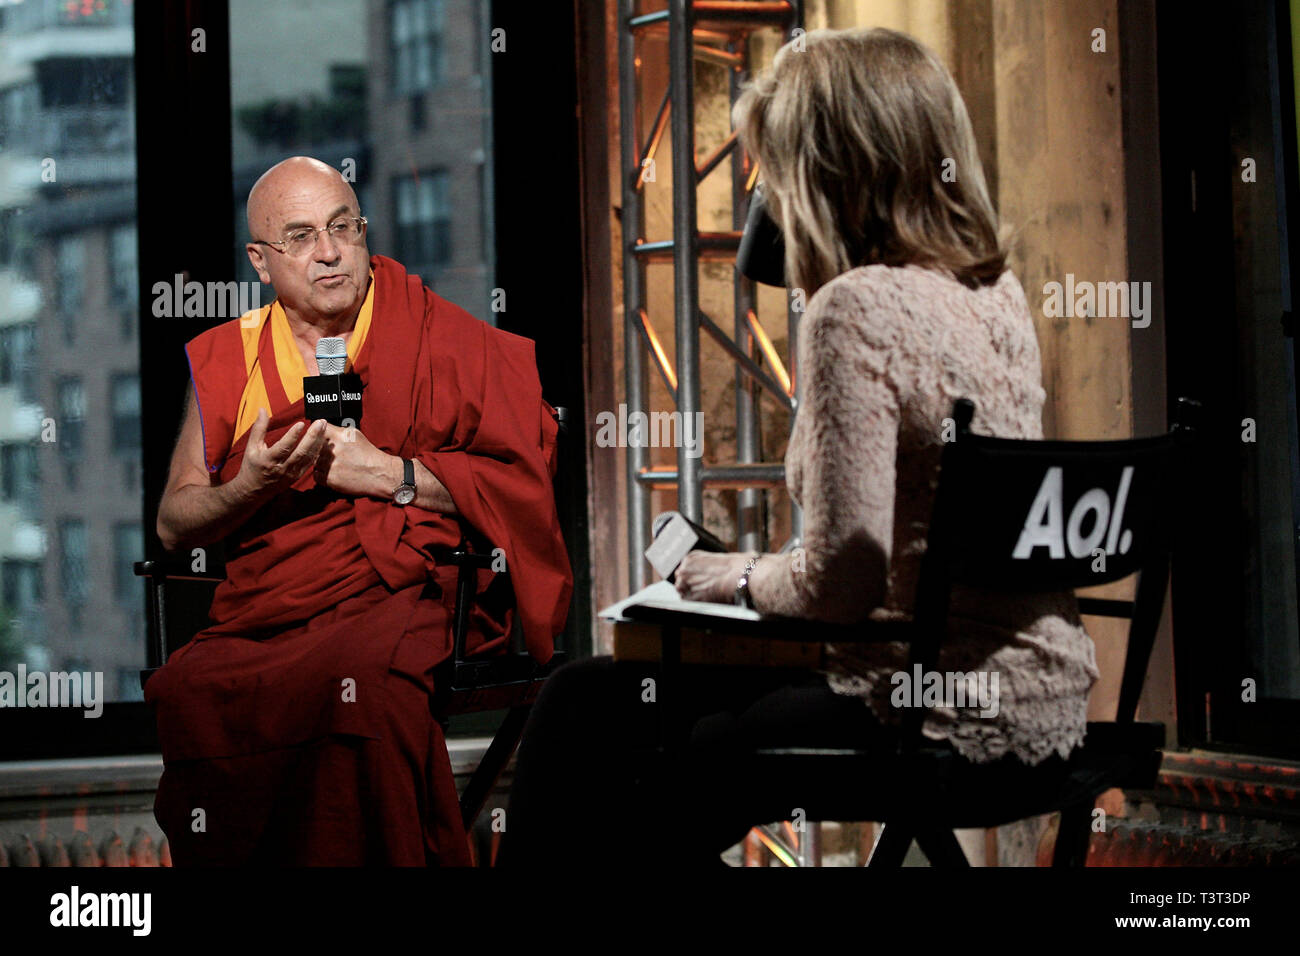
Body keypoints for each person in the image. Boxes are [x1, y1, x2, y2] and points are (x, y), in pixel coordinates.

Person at [498, 27, 1099, 866]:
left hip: (922, 700)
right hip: (1044, 693)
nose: (769, 200)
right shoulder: (993, 293)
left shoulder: (854, 308)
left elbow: (843, 579)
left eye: (774, 172)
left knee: (620, 740)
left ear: (827, 172)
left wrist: (737, 576)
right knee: (593, 704)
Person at [145, 156, 572, 866]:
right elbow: (173, 522)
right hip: (266, 608)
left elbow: (520, 479)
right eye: (301, 236)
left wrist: (391, 474)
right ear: (260, 261)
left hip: (397, 592)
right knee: (192, 690)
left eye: (344, 227)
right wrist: (251, 485)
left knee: (366, 689)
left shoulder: (434, 334)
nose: (330, 252)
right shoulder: (230, 358)